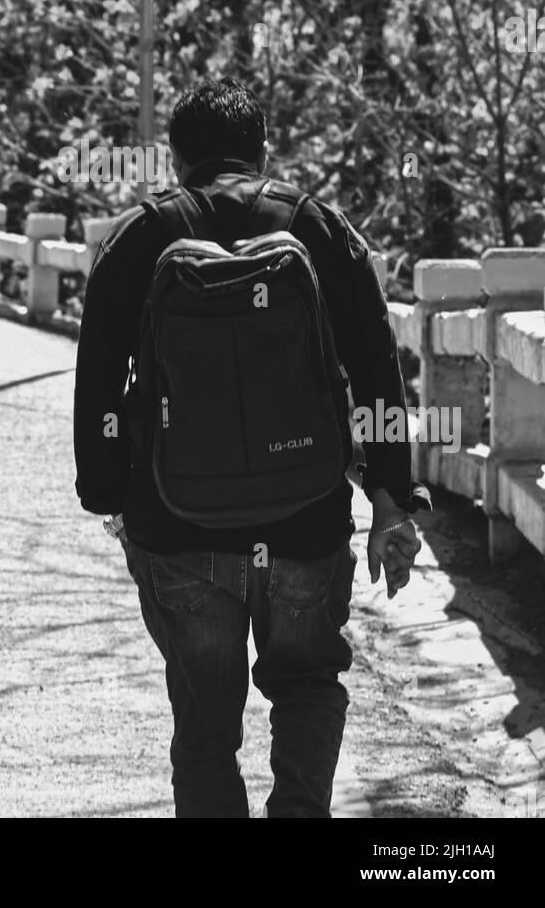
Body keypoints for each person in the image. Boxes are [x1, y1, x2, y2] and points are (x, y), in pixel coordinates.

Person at [73, 78, 430, 818]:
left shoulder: (140, 236)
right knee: (307, 683)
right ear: (264, 150)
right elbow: (377, 369)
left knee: (204, 721)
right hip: (304, 520)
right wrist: (393, 498)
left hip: (179, 526)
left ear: (176, 161)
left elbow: (99, 379)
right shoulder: (322, 229)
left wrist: (111, 497)